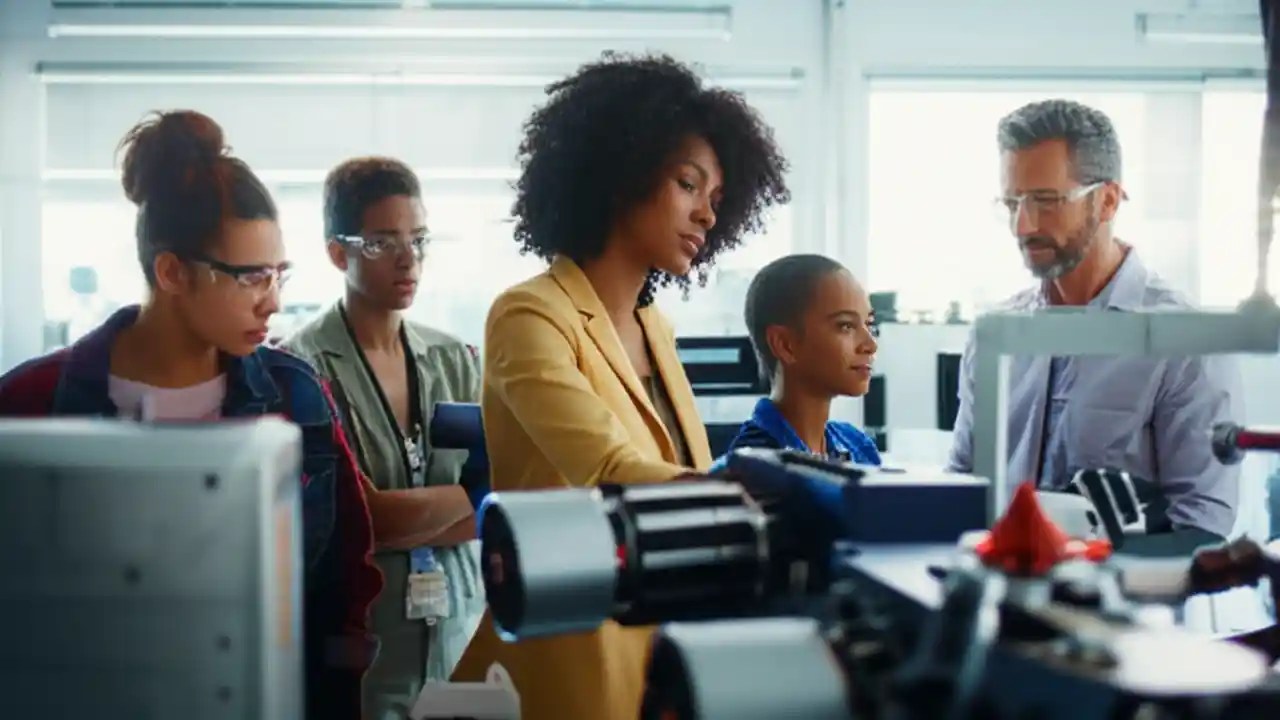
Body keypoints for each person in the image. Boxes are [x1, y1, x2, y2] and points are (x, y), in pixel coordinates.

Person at [0, 111, 382, 720]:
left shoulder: (294, 396)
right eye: (250, 276)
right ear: (171, 272)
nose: (273, 300)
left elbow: (344, 581)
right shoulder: (30, 403)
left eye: (278, 273)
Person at [449, 52, 789, 720]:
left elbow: (678, 469)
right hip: (566, 646)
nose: (706, 215)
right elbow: (603, 467)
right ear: (619, 174)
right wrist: (738, 492)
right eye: (688, 185)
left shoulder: (653, 326)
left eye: (717, 199)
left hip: (658, 645)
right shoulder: (529, 313)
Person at [947, 99, 1242, 541]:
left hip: (1120, 603)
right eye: (1012, 203)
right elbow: (962, 486)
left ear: (1106, 201)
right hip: (1001, 595)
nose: (1022, 226)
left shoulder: (1183, 342)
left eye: (1046, 202)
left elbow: (1201, 527)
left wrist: (1085, 574)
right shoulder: (996, 334)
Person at [283, 157, 484, 719]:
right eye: (381, 243)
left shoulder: (457, 360)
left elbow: (506, 496)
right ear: (337, 252)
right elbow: (354, 519)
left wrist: (404, 514)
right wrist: (467, 501)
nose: (408, 259)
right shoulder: (299, 368)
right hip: (365, 658)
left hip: (461, 639)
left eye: (419, 239)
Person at [713, 254, 881, 470]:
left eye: (869, 324)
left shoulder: (858, 446)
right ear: (785, 344)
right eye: (846, 326)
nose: (870, 344)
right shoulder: (752, 469)